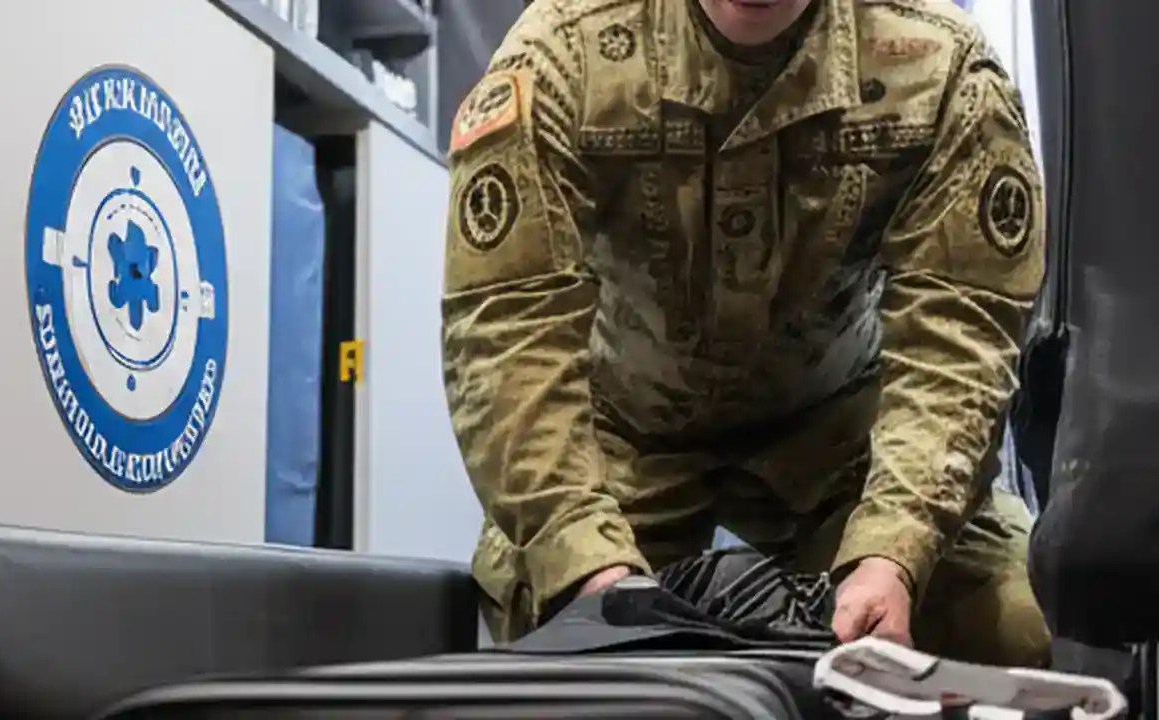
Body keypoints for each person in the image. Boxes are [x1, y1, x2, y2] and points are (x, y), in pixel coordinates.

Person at [441, 0, 1050, 667]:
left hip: (847, 434)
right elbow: (509, 329)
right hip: (621, 433)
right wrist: (587, 561)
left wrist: (895, 551)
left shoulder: (939, 65)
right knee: (563, 657)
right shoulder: (565, 50)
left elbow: (957, 337)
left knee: (1013, 623)